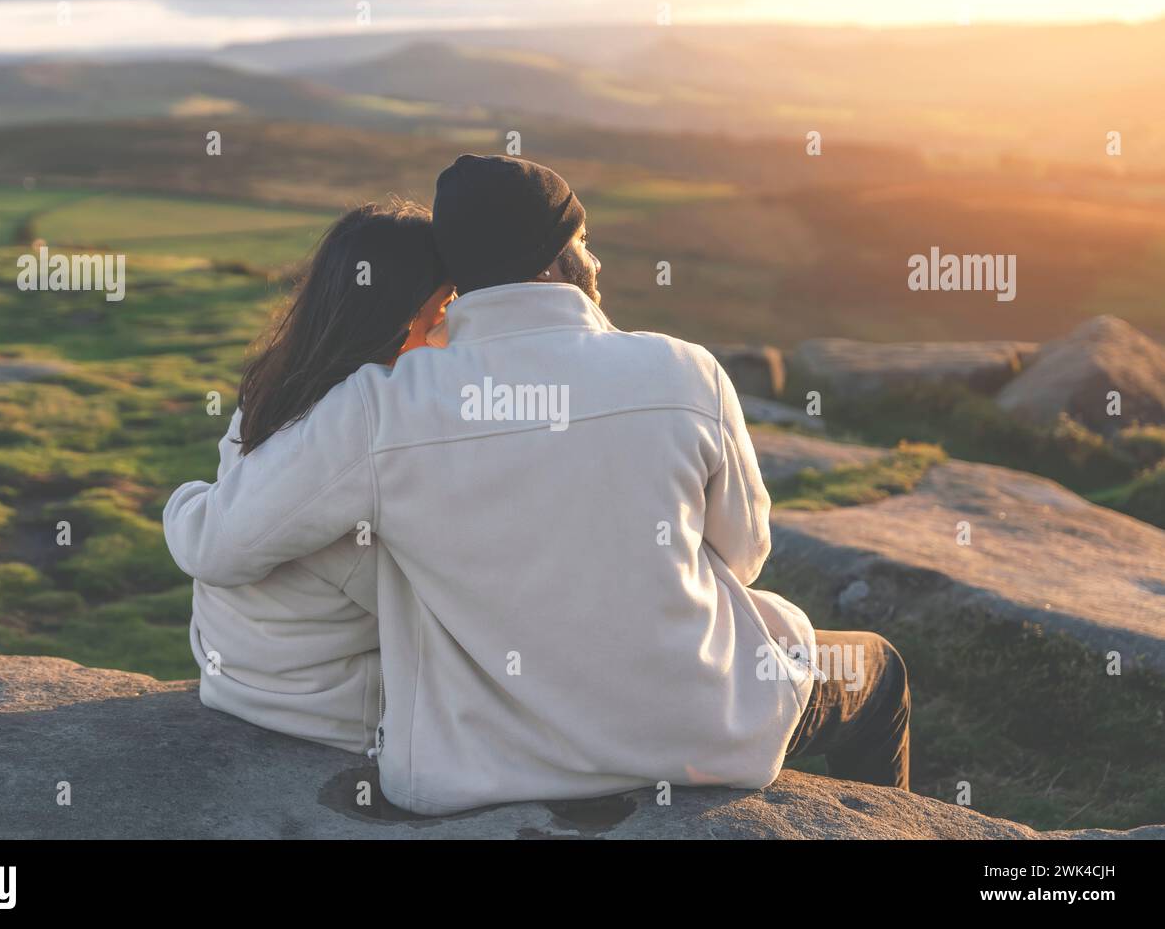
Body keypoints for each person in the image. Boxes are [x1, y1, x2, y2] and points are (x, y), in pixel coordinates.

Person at [164, 155, 909, 815]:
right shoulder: (685, 371)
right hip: (702, 730)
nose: (595, 256)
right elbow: (743, 556)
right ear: (560, 259)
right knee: (879, 672)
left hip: (485, 763)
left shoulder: (377, 405)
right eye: (583, 241)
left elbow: (226, 540)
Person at [174, 198, 452, 755]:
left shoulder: (280, 389)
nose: (455, 329)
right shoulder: (364, 426)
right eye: (444, 310)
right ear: (398, 316)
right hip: (326, 709)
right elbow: (439, 606)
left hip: (240, 680)